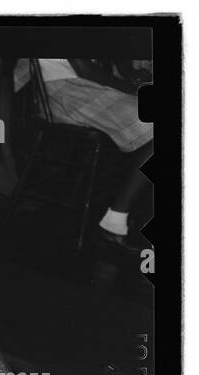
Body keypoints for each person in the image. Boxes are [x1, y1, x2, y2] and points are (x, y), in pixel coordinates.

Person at [25, 59, 153, 248]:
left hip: (83, 84)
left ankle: (129, 215)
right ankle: (114, 221)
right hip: (66, 88)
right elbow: (84, 69)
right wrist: (131, 86)